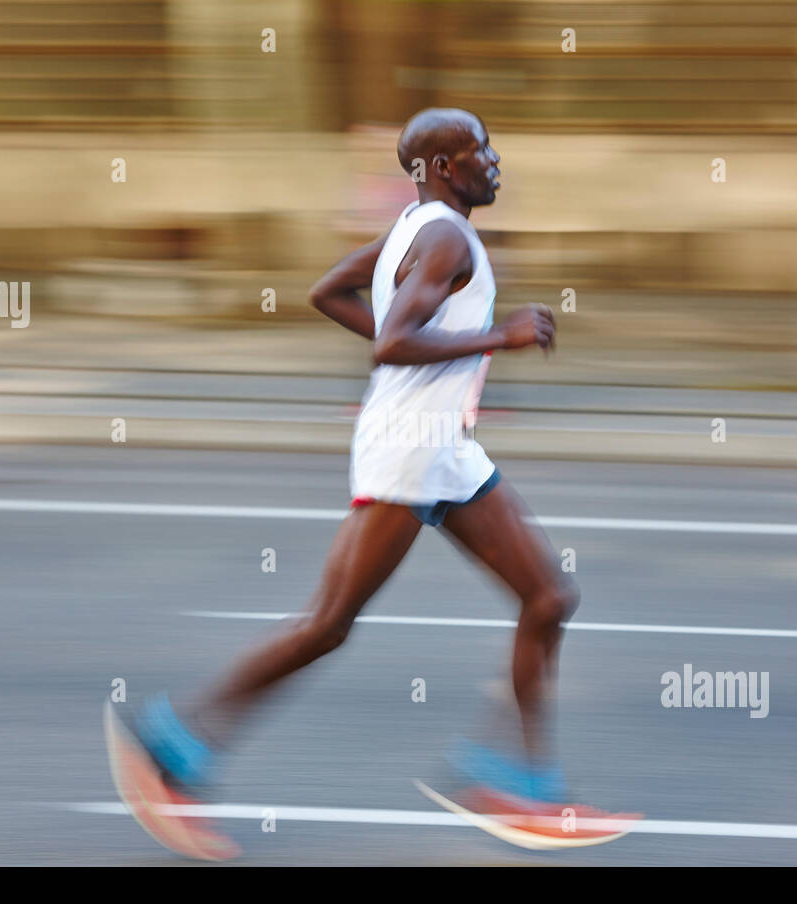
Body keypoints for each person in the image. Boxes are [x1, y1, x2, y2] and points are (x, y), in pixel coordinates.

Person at [110, 108, 584, 857]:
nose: (494, 161)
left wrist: (450, 350)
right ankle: (169, 747)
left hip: (446, 447)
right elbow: (392, 341)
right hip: (408, 450)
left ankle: (511, 778)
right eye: (478, 150)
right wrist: (503, 334)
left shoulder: (414, 230)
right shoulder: (444, 238)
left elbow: (327, 292)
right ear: (440, 169)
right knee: (328, 624)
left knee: (549, 597)